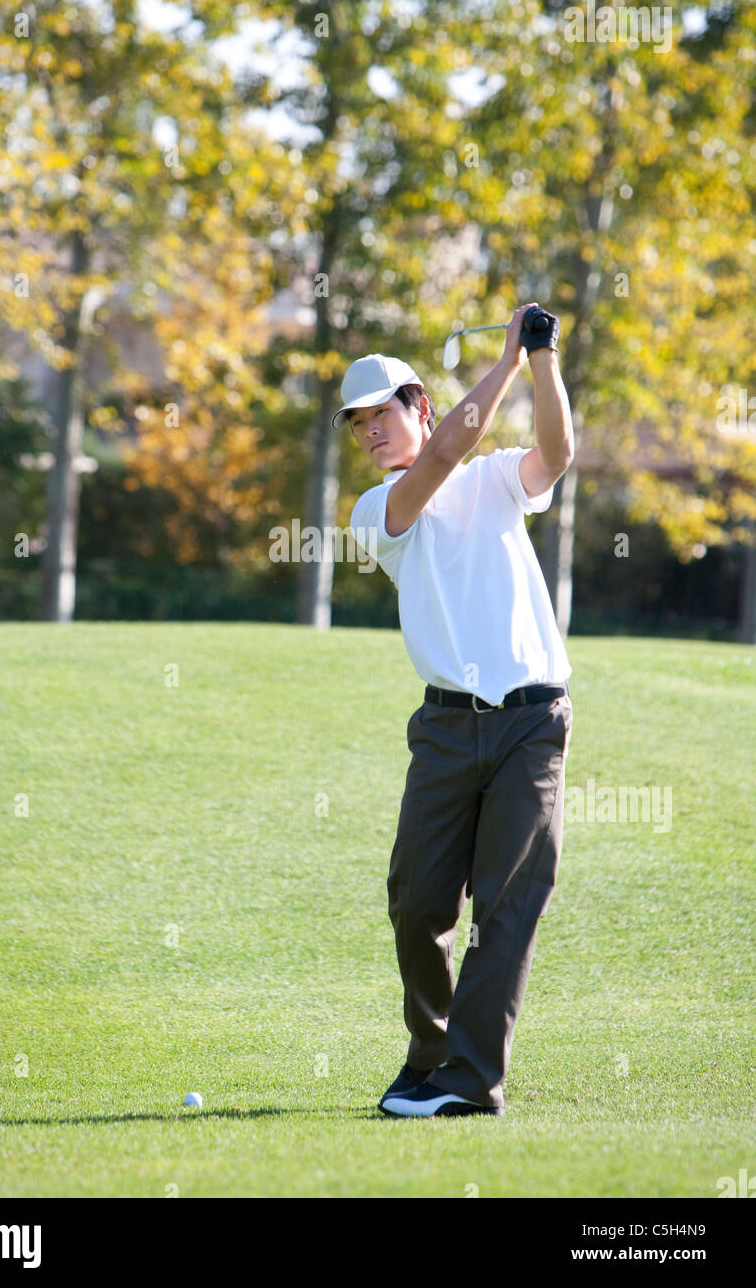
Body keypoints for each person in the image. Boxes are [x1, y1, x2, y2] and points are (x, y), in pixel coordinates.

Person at [333, 303, 575, 1118]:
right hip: (444, 726)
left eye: (383, 414)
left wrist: (541, 362)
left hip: (530, 723)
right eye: (358, 424)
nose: (371, 433)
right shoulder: (379, 512)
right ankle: (431, 1058)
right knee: (418, 897)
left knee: (505, 907)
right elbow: (441, 456)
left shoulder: (497, 477)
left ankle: (471, 1083)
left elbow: (558, 452)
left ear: (420, 404)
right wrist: (506, 357)